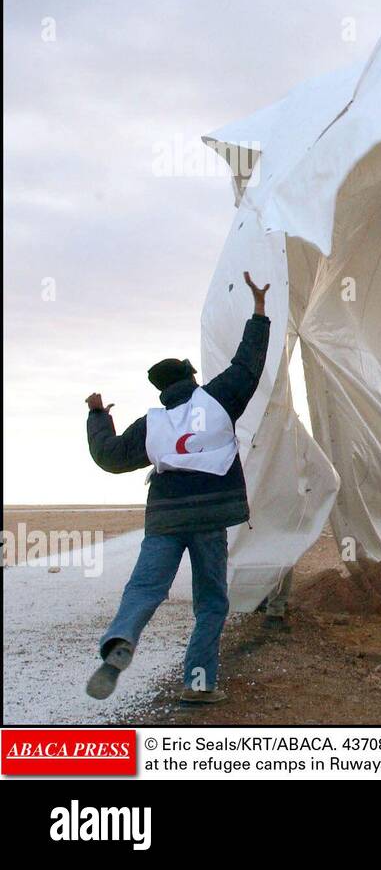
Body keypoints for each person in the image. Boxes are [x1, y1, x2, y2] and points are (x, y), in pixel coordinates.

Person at [84, 271, 271, 704]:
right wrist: (258, 311)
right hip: (209, 518)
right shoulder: (218, 398)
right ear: (191, 377)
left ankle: (121, 640)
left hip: (165, 519)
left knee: (145, 589)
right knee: (210, 603)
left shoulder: (153, 423)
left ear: (162, 390)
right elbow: (248, 364)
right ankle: (199, 683)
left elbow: (109, 457)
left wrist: (97, 415)